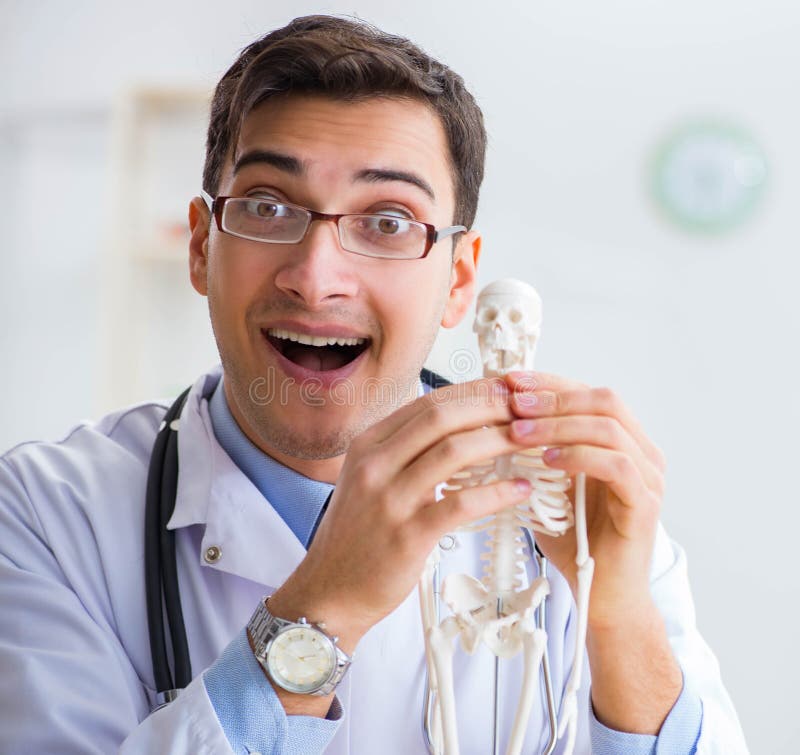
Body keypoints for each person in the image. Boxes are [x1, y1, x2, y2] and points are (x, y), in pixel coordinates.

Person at [0, 14, 747, 755]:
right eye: (267, 207)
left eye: (389, 220)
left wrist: (617, 614)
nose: (316, 278)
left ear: (458, 279)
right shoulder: (46, 515)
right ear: (202, 246)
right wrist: (324, 606)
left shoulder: (579, 522)